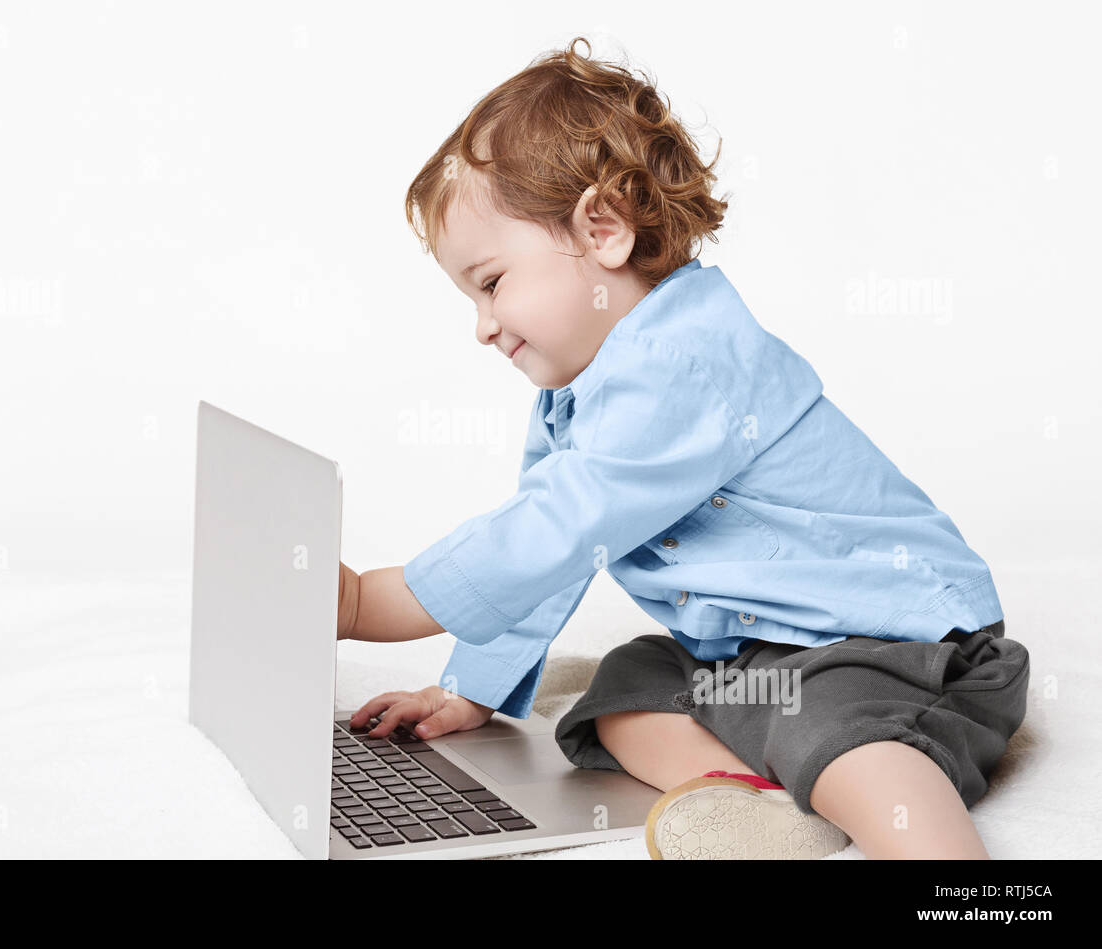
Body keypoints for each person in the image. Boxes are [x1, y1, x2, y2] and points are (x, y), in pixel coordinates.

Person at [335, 36, 1029, 859]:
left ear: (603, 230)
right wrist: (470, 688)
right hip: (769, 654)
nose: (482, 326)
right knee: (623, 689)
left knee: (848, 737)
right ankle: (757, 802)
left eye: (490, 283)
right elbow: (547, 547)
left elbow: (552, 528)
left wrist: (367, 604)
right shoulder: (579, 389)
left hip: (902, 647)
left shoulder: (683, 363)